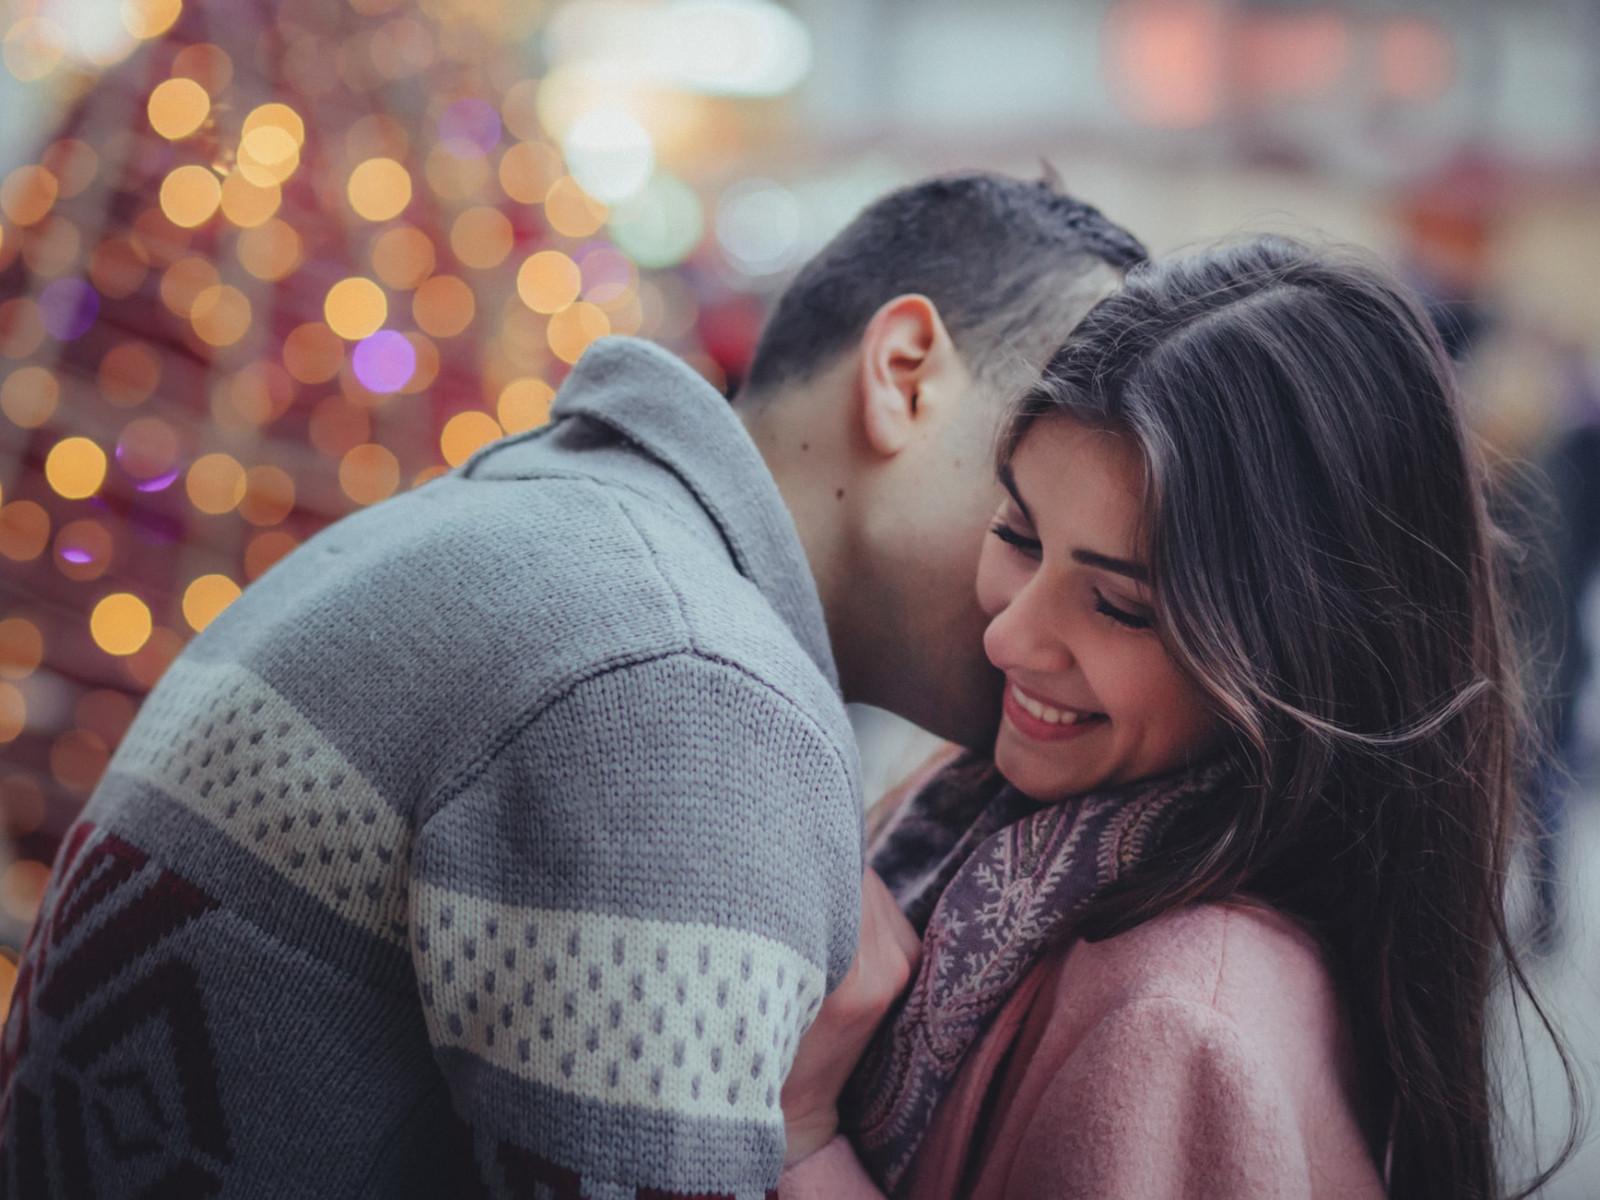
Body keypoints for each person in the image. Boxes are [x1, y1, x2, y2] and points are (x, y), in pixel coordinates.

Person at [0, 173, 1145, 1197]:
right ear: (903, 374)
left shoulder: (544, 526)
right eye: (1033, 485)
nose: (1073, 575)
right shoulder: (682, 681)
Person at [777, 236, 1577, 1200]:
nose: (1010, 641)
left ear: (1305, 651)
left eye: (1121, 606)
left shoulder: (1183, 1020)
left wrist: (802, 1134)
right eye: (1021, 536)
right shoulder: (997, 816)